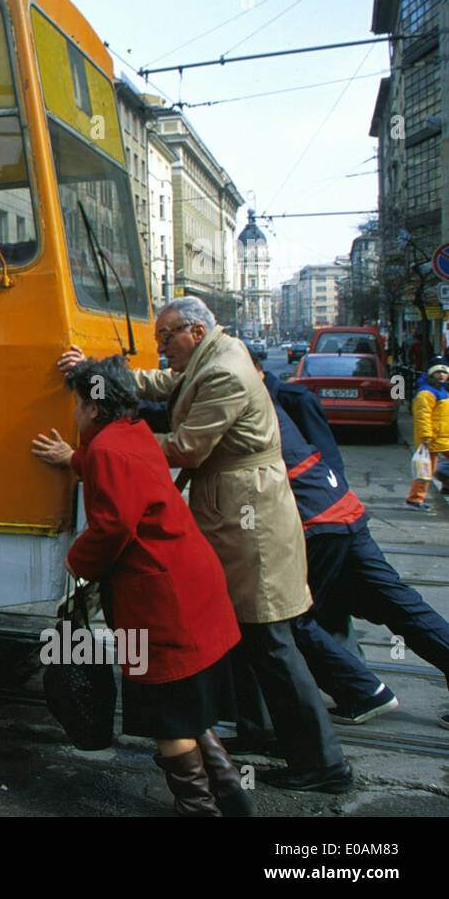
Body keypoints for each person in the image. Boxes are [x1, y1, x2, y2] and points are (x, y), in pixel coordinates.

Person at [58, 295, 352, 793]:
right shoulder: (212, 356)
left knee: (273, 640)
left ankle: (324, 763)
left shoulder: (225, 372)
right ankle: (259, 732)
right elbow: (160, 383)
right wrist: (96, 372)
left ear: (194, 331)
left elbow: (189, 444)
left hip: (249, 519)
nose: (160, 347)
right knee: (249, 635)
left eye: (166, 336)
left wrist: (117, 441)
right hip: (231, 513)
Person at [31, 356, 248, 817]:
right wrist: (72, 458)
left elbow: (112, 526)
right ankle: (231, 791)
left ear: (92, 408)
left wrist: (74, 563)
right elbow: (123, 472)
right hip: (191, 584)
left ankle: (198, 807)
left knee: (165, 714)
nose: (73, 413)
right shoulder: (133, 434)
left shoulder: (107, 448)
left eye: (76, 403)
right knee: (186, 704)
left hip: (160, 602)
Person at [254, 361, 449, 730]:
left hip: (323, 521)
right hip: (337, 521)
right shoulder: (269, 395)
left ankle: (360, 690)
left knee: (295, 614)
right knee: (397, 604)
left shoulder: (292, 397)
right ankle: (356, 688)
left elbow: (328, 459)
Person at [407, 363, 448, 510]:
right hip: (432, 438)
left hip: (443, 437)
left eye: (444, 373)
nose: (442, 375)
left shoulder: (442, 390)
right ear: (431, 375)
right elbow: (422, 416)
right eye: (438, 373)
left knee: (428, 469)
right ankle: (415, 498)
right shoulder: (426, 392)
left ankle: (416, 497)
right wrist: (426, 436)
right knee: (426, 470)